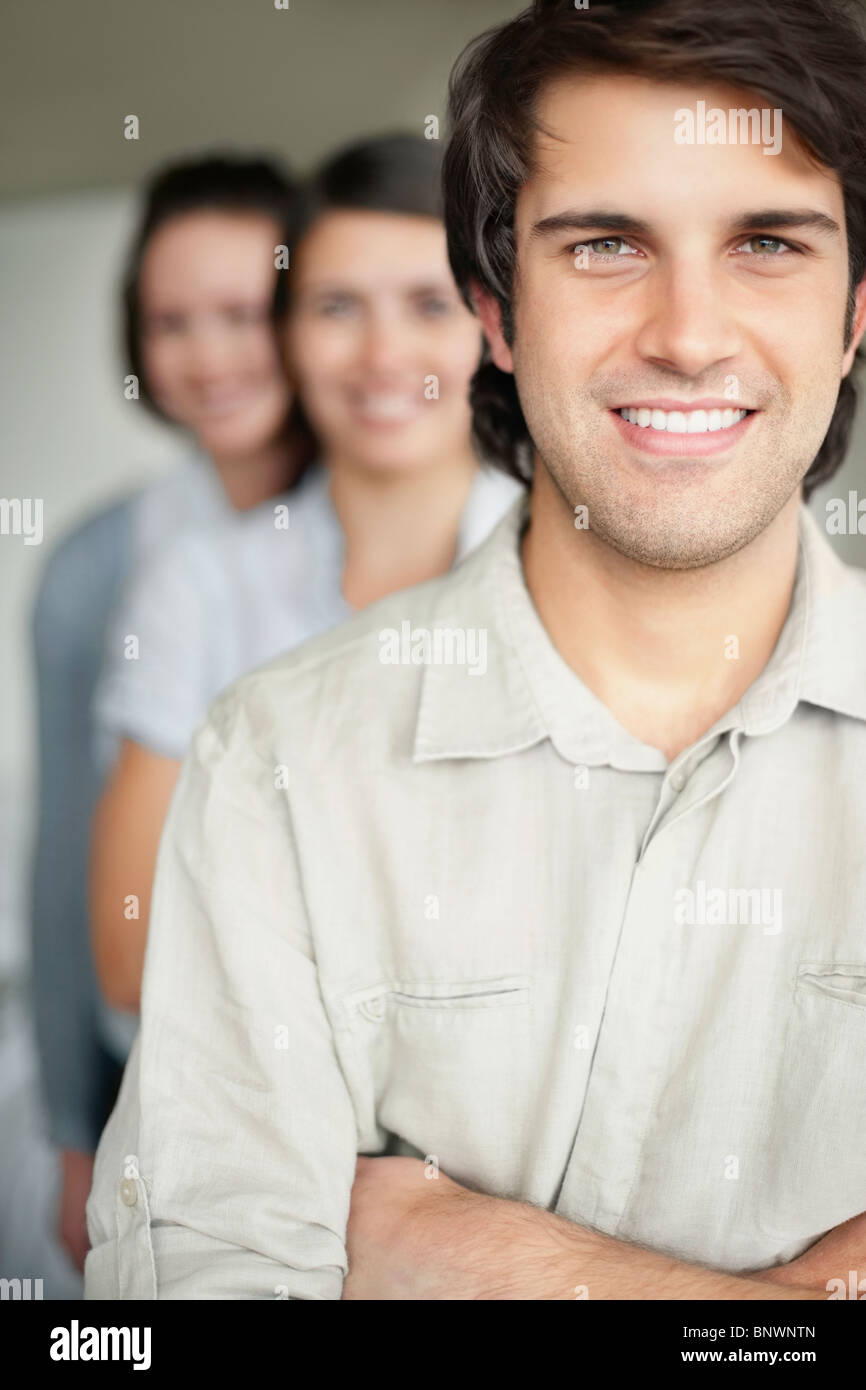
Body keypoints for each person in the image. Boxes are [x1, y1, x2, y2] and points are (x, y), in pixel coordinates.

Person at [85, 0, 866, 1300]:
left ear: (852, 313)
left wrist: (474, 1256)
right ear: (495, 313)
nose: (686, 331)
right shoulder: (279, 757)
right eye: (606, 242)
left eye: (766, 242)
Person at [87, 134, 523, 1017]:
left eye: (426, 306)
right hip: (264, 1128)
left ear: (492, 326)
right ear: (283, 333)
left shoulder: (575, 558)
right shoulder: (197, 584)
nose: (381, 354)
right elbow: (132, 958)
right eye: (335, 307)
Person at [30, 151, 304, 1273]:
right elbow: (63, 857)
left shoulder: (414, 523)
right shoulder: (103, 566)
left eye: (245, 314)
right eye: (171, 320)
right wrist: (70, 1128)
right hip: (164, 1076)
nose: (208, 355)